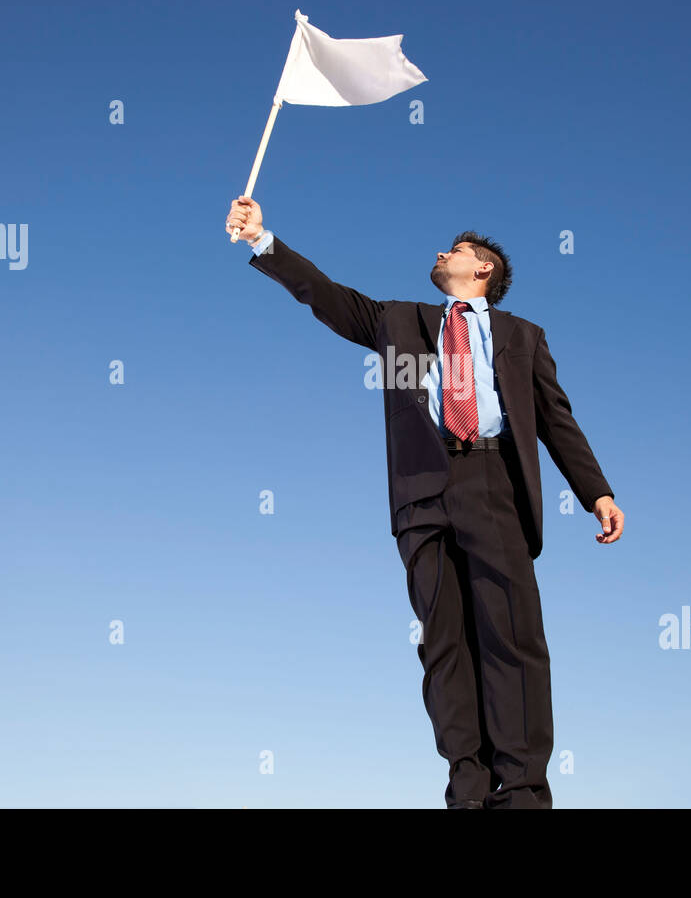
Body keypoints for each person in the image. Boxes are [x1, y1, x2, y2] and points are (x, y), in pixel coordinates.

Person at [226, 196, 624, 808]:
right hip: (423, 492)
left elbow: (556, 420)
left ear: (483, 269)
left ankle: (521, 790)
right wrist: (262, 240)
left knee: (510, 637)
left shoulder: (522, 338)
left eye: (456, 250)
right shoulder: (401, 322)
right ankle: (467, 787)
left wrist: (596, 492)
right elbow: (324, 295)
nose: (441, 253)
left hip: (496, 485)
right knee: (442, 642)